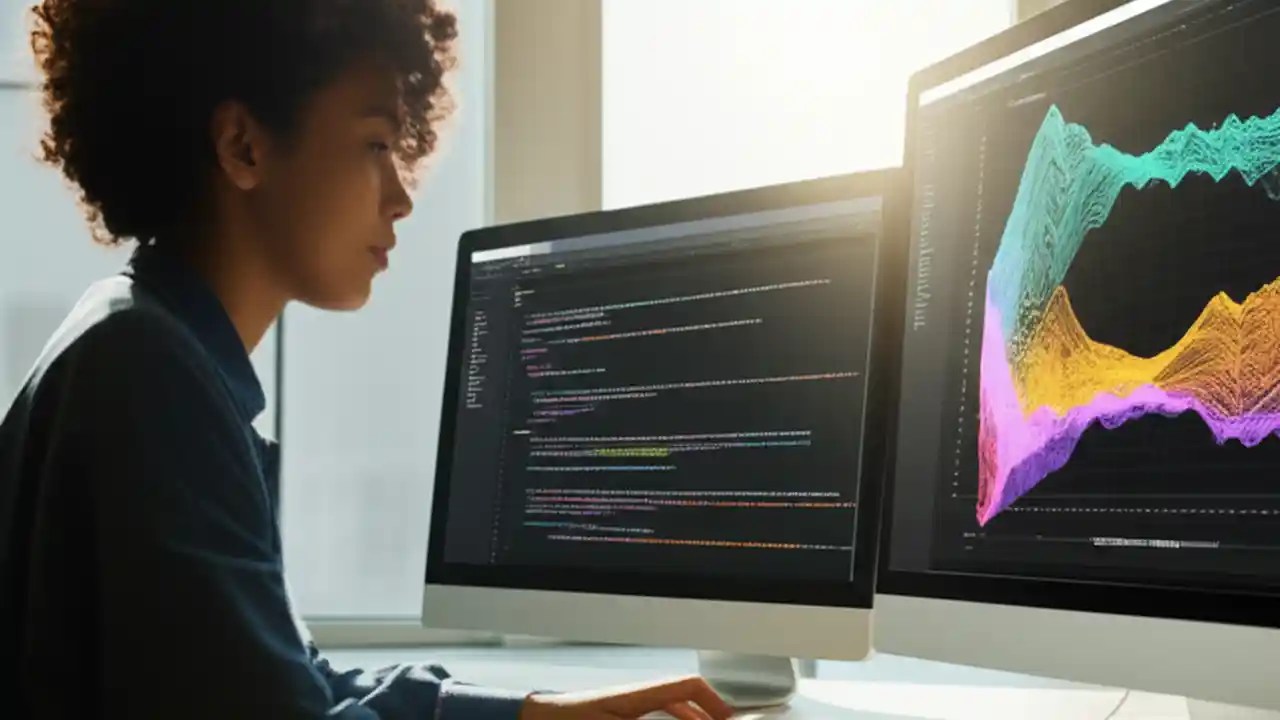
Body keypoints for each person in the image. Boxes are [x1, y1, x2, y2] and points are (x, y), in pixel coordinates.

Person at [0, 1, 735, 718]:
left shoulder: (140, 344)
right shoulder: (150, 382)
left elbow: (290, 684)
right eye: (377, 145)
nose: (403, 197)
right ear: (243, 146)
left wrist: (532, 712)